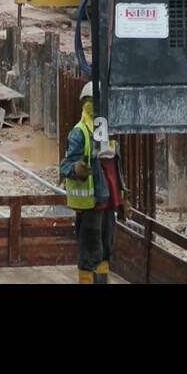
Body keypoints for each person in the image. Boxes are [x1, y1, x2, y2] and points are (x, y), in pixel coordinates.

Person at [60, 82, 127, 284]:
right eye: (92, 102)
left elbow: (116, 169)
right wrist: (76, 169)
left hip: (109, 201)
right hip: (91, 203)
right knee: (90, 250)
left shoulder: (110, 132)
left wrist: (123, 198)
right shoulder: (79, 132)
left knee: (106, 248)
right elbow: (64, 167)